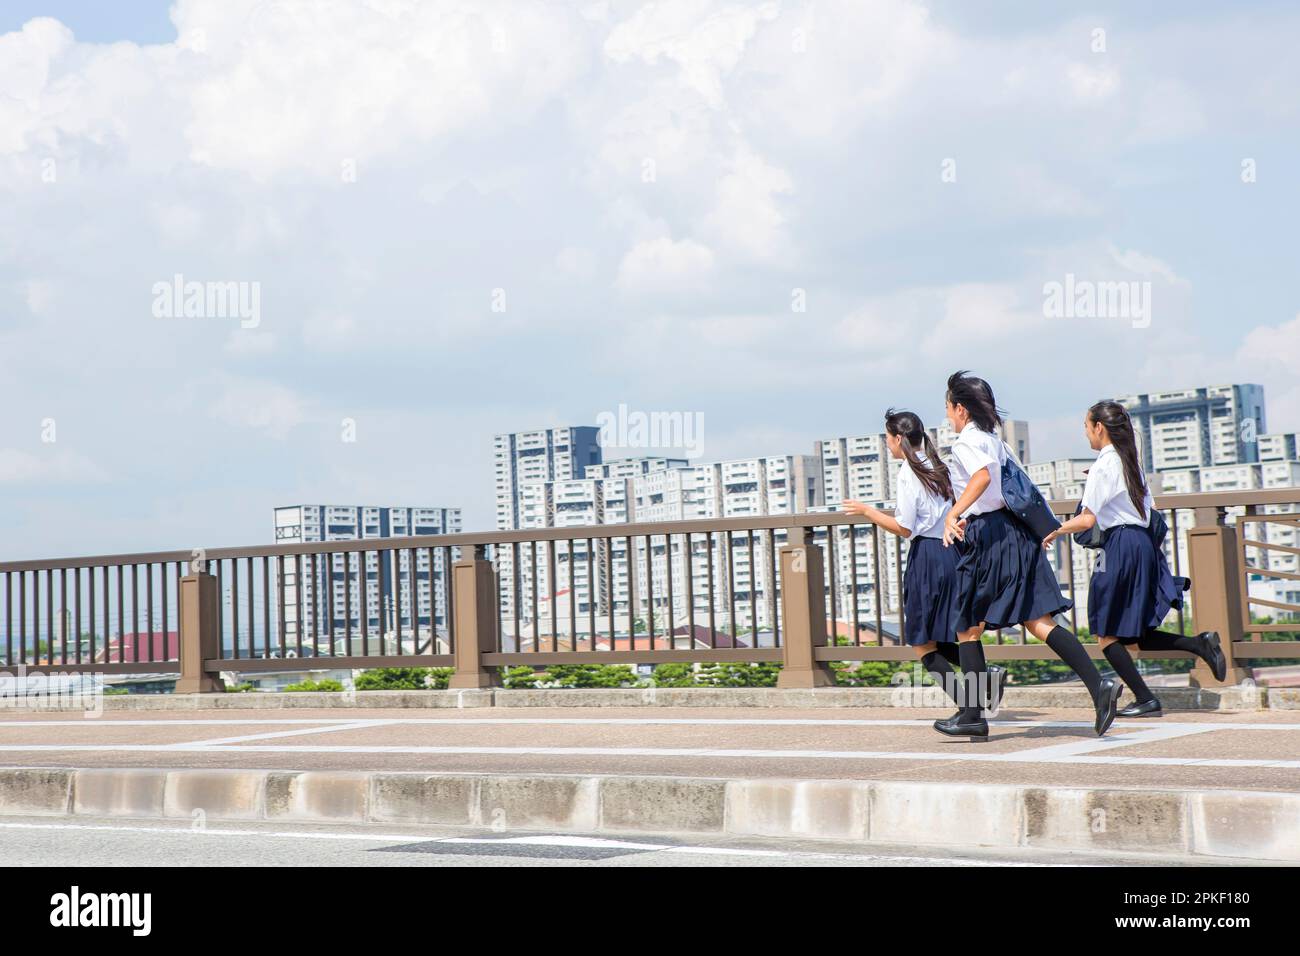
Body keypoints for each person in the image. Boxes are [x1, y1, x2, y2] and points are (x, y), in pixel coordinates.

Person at [940, 371, 1121, 739]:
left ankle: (972, 714)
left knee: (967, 625)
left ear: (960, 409)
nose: (947, 416)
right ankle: (1099, 686)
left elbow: (982, 480)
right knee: (1037, 621)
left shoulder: (966, 443)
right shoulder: (995, 440)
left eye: (948, 408)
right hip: (1014, 533)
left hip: (989, 536)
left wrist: (953, 513)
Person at [1044, 401, 1228, 717]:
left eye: (1086, 427)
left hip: (1121, 547)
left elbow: (1087, 521)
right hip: (1143, 545)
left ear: (1099, 427)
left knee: (1105, 632)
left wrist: (1053, 531)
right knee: (1132, 632)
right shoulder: (1130, 462)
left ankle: (1145, 698)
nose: (1086, 434)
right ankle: (1199, 644)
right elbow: (1148, 511)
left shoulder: (1104, 465)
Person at [843, 409, 1006, 720]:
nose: (887, 445)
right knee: (949, 632)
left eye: (888, 439)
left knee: (921, 641)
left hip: (928, 557)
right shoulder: (938, 465)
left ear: (899, 439)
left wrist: (867, 511)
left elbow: (904, 527)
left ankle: (968, 706)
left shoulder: (908, 472)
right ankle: (983, 681)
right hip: (954, 551)